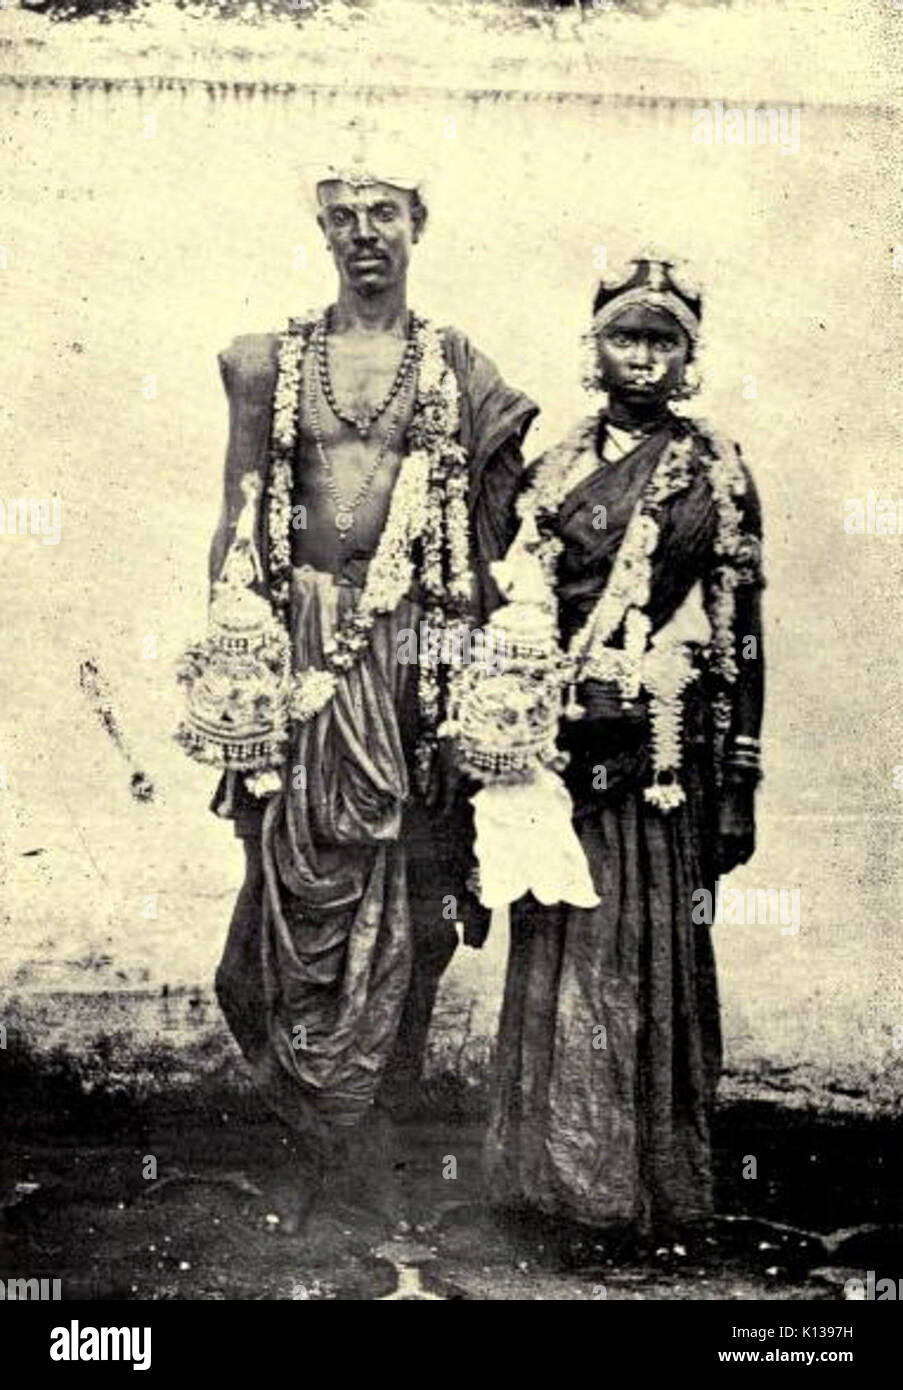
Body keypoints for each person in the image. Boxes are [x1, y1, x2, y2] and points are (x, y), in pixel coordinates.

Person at [177, 151, 537, 1227]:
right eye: (345, 215)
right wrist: (232, 659)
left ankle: (377, 1145)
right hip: (296, 660)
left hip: (415, 659)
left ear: (419, 224)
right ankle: (313, 1137)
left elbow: (504, 517)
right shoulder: (266, 362)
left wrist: (483, 647)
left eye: (386, 212)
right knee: (281, 897)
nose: (365, 231)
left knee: (418, 906)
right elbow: (236, 520)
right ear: (324, 231)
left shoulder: (461, 367)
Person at [483, 256, 765, 1241]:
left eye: (662, 339)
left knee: (648, 964)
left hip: (663, 764)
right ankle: (560, 1185)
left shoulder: (717, 471)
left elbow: (740, 634)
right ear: (593, 348)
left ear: (687, 357)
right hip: (563, 758)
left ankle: (649, 1190)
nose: (641, 356)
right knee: (564, 957)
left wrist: (740, 783)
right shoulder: (553, 470)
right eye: (625, 336)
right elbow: (517, 620)